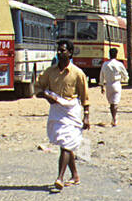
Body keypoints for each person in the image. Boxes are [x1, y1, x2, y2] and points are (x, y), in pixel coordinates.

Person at [36, 39, 91, 190]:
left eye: (63, 51)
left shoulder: (77, 73)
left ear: (70, 53)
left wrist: (86, 116)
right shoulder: (50, 72)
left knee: (67, 143)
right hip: (57, 111)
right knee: (64, 143)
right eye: (58, 50)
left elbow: (84, 96)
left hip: (71, 110)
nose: (60, 53)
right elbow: (38, 88)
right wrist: (46, 96)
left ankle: (60, 177)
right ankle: (75, 176)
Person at [98, 46, 129, 126]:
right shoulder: (119, 64)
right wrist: (124, 79)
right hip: (117, 84)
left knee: (111, 103)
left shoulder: (105, 64)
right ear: (116, 55)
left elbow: (101, 75)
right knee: (115, 102)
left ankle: (113, 117)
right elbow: (125, 74)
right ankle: (114, 119)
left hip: (108, 84)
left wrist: (102, 86)